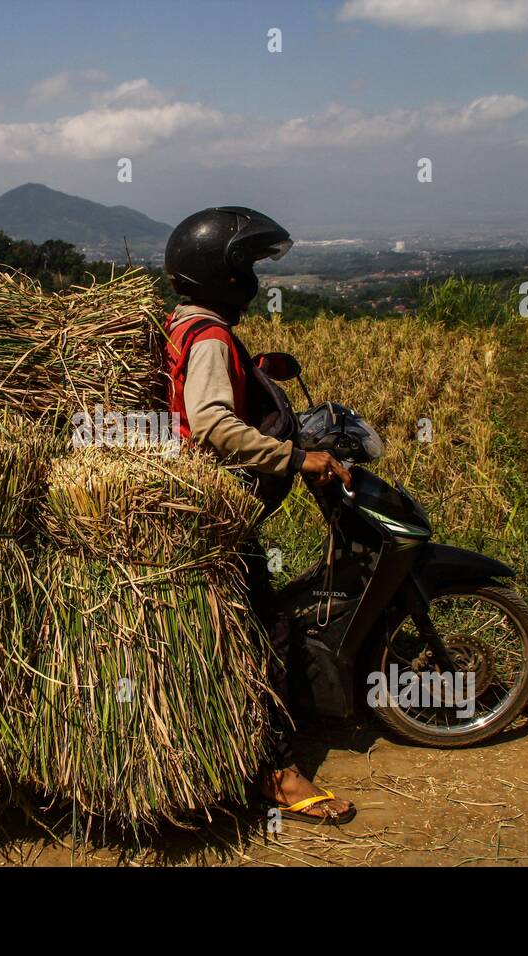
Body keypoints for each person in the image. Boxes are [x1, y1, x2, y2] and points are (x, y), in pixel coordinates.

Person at [163, 206, 356, 825]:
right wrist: (297, 457)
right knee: (269, 630)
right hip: (217, 510)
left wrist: (258, 370)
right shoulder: (213, 337)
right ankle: (277, 773)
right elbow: (214, 424)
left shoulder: (189, 325)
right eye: (244, 266)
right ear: (221, 274)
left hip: (194, 503)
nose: (251, 279)